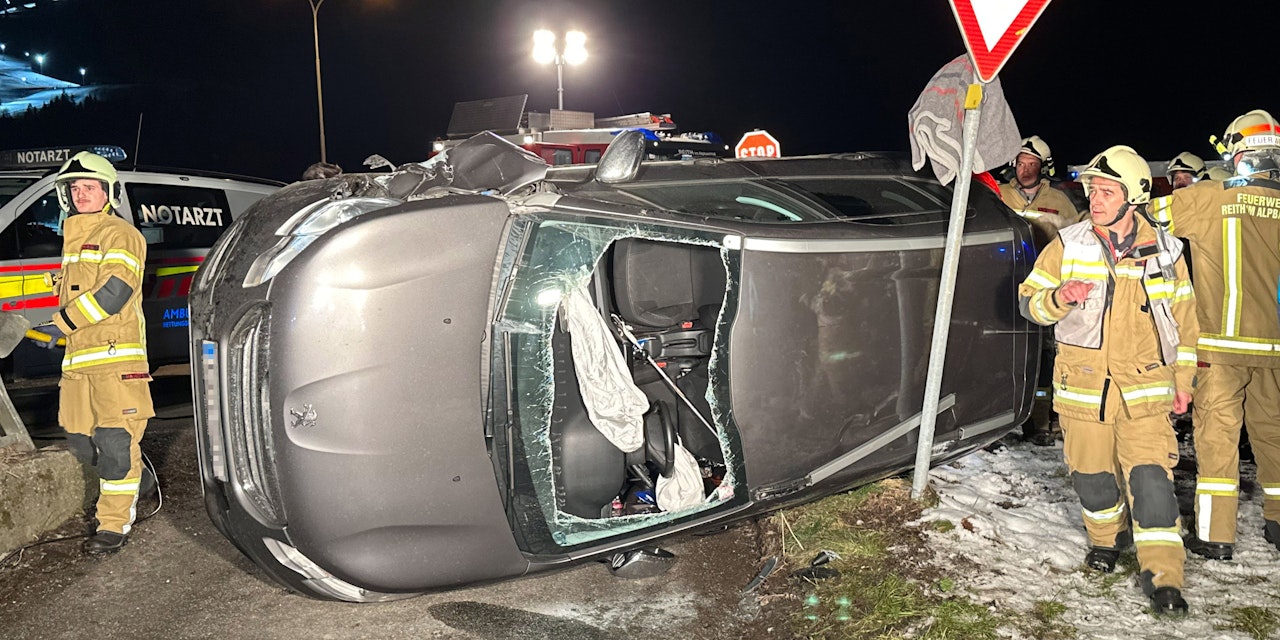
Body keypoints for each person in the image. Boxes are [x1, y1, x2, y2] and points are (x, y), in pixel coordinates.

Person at [1019, 145, 1197, 615]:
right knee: (1094, 482)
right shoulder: (1068, 244)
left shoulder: (1164, 250)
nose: (1094, 199)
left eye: (1106, 191)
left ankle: (1165, 578)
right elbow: (1029, 302)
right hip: (1084, 392)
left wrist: (1185, 381)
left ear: (1133, 196)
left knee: (1153, 485)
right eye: (1092, 190)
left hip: (1145, 393)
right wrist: (1059, 296)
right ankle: (1107, 538)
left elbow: (1186, 322)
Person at [1151, 109, 1280, 561]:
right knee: (1276, 437)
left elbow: (1152, 218)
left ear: (1237, 151)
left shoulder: (1209, 196)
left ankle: (1215, 536)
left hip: (1221, 349)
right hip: (1277, 349)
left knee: (1217, 442)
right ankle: (1278, 523)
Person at [28, 151, 154, 554]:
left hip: (118, 365)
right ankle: (143, 475)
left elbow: (113, 294)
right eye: (75, 188)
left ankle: (113, 526)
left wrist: (60, 325)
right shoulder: (73, 241)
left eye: (90, 187)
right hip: (78, 370)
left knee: (115, 447)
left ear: (109, 193)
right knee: (84, 445)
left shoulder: (121, 235)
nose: (82, 194)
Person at [1001, 135, 1082, 446]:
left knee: (1044, 357)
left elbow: (1076, 242)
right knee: (1003, 351)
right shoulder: (999, 195)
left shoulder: (1060, 203)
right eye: (1020, 163)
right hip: (1003, 284)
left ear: (1042, 167)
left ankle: (1039, 420)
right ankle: (999, 417)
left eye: (1031, 164)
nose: (1024, 169)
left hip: (1043, 290)